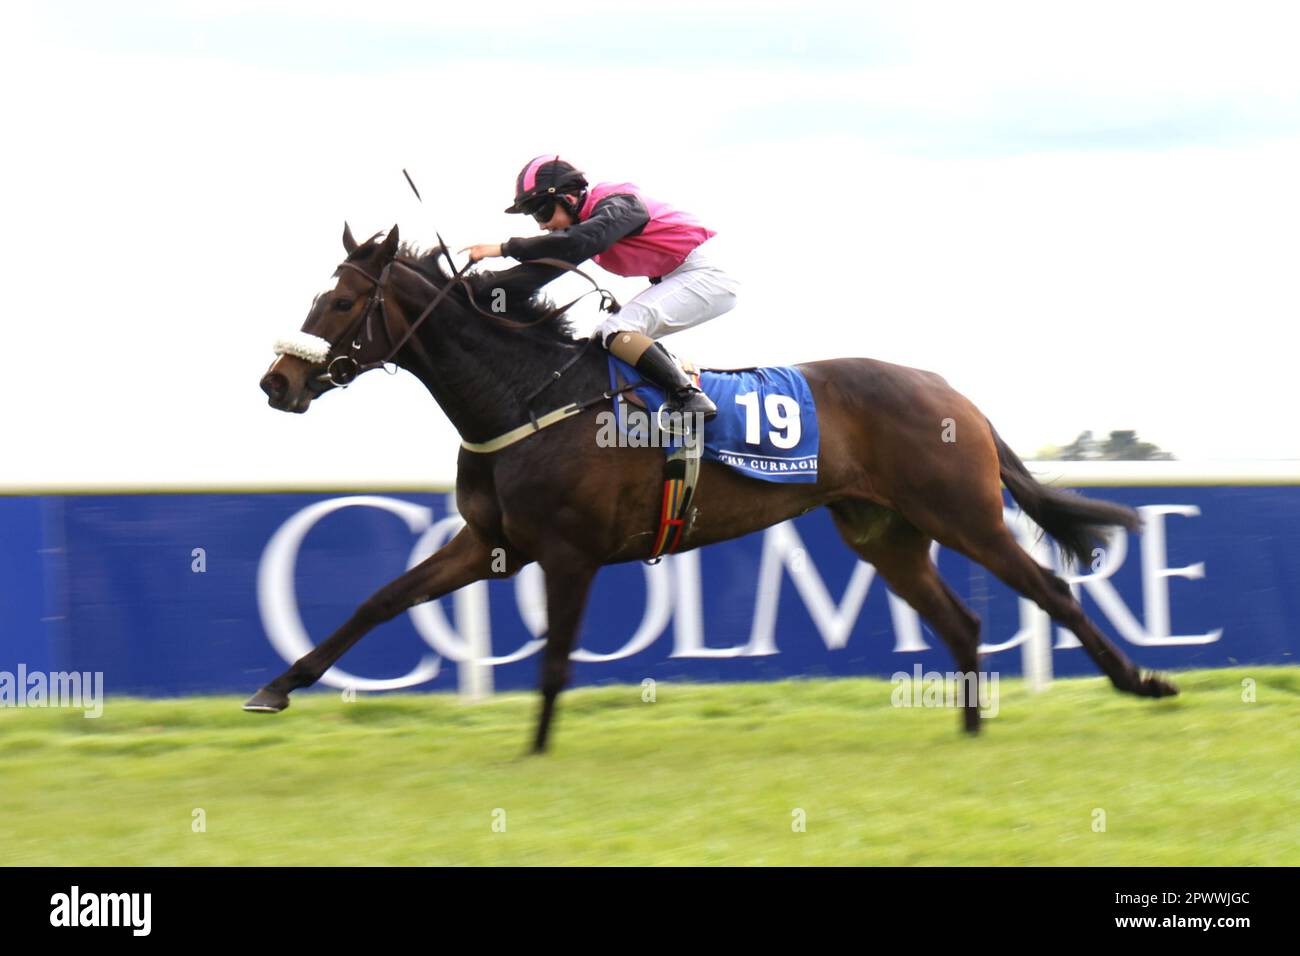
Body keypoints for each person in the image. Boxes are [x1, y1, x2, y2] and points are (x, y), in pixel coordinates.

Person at [461, 155, 738, 420]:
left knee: (616, 331)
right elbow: (538, 272)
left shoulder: (617, 204)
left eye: (542, 211)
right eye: (535, 216)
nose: (543, 225)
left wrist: (506, 248)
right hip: (684, 274)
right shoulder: (587, 230)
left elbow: (579, 240)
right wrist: (477, 289)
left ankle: (690, 398)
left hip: (709, 272)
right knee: (603, 339)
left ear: (568, 198)